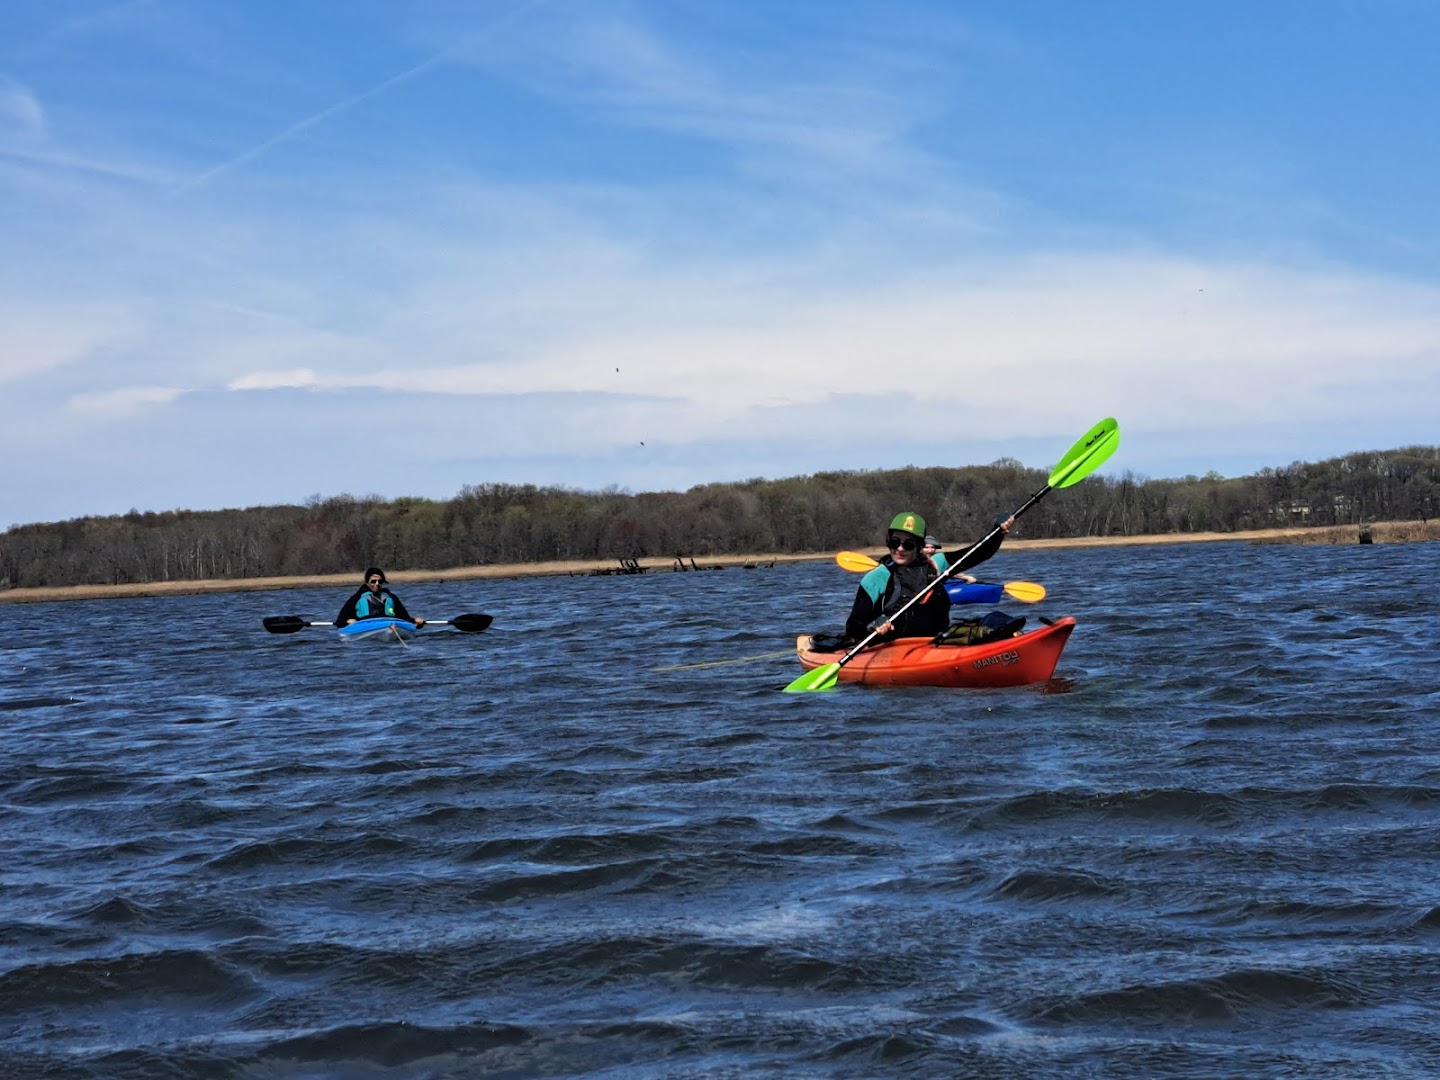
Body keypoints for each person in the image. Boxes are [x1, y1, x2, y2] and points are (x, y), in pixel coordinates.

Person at [844, 511, 1014, 642]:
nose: (900, 549)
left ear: (919, 546)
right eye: (895, 542)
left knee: (997, 622)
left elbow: (976, 554)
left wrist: (997, 532)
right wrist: (872, 626)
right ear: (888, 541)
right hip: (893, 646)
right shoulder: (876, 577)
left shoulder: (936, 564)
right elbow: (853, 627)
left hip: (935, 641)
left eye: (908, 544)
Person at [336, 567, 425, 628]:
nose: (377, 584)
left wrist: (415, 621)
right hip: (365, 627)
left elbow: (405, 618)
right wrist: (347, 622)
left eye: (380, 581)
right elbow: (339, 621)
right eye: (373, 581)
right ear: (367, 582)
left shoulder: (391, 597)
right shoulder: (356, 598)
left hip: (389, 625)